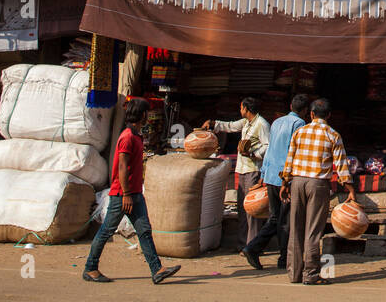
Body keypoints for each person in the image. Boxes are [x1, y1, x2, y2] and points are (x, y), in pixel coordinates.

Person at [83, 97, 181, 284]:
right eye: (147, 113)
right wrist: (127, 194)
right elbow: (122, 167)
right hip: (123, 194)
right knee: (106, 231)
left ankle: (157, 269)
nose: (149, 117)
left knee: (144, 230)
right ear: (142, 114)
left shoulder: (136, 136)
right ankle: (90, 267)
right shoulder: (127, 137)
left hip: (134, 193)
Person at [279, 98, 355, 285]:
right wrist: (350, 189)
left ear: (311, 114)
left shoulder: (300, 132)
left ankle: (294, 273)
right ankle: (310, 274)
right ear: (329, 115)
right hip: (318, 184)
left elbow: (290, 159)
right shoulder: (333, 135)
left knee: (296, 228)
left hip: (297, 182)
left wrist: (285, 182)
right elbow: (342, 166)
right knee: (313, 230)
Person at [243, 93, 310, 271]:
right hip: (284, 177)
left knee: (276, 216)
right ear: (305, 111)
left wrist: (263, 176)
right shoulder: (300, 125)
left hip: (272, 175)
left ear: (290, 106)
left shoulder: (277, 122)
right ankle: (280, 256)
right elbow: (293, 152)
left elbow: (271, 150)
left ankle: (255, 248)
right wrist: (288, 179)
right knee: (285, 219)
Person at [203, 96, 270, 253]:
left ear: (246, 109)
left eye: (241, 108)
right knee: (242, 208)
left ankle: (253, 245)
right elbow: (230, 126)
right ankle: (242, 244)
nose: (240, 111)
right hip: (242, 169)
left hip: (254, 169)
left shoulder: (262, 124)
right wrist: (213, 123)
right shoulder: (246, 122)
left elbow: (268, 146)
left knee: (252, 209)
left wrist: (253, 153)